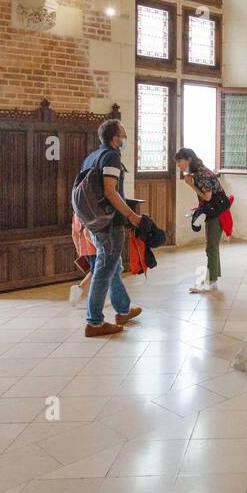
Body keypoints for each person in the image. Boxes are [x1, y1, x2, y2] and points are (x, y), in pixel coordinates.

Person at [80, 119, 143, 337]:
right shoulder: (111, 156)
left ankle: (123, 309)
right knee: (104, 270)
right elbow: (110, 191)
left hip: (94, 221)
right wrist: (131, 215)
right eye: (123, 136)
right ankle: (94, 322)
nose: (125, 140)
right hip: (110, 223)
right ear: (114, 138)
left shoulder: (92, 157)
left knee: (112, 266)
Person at [176, 147, 225, 293]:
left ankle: (211, 282)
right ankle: (212, 278)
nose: (179, 165)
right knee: (212, 246)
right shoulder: (198, 172)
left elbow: (208, 197)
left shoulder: (200, 173)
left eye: (180, 161)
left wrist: (190, 185)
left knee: (211, 246)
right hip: (215, 211)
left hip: (217, 212)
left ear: (189, 159)